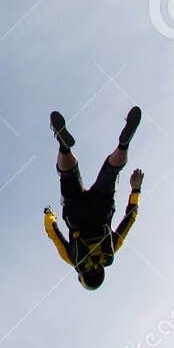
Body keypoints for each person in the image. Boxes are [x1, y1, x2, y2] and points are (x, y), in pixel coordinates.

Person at [43, 107, 143, 290]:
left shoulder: (111, 252)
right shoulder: (74, 260)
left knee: (111, 171)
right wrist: (49, 215)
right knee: (67, 175)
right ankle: (64, 146)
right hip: (76, 215)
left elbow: (130, 218)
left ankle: (123, 144)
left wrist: (136, 190)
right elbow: (54, 234)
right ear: (81, 276)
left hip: (101, 209)